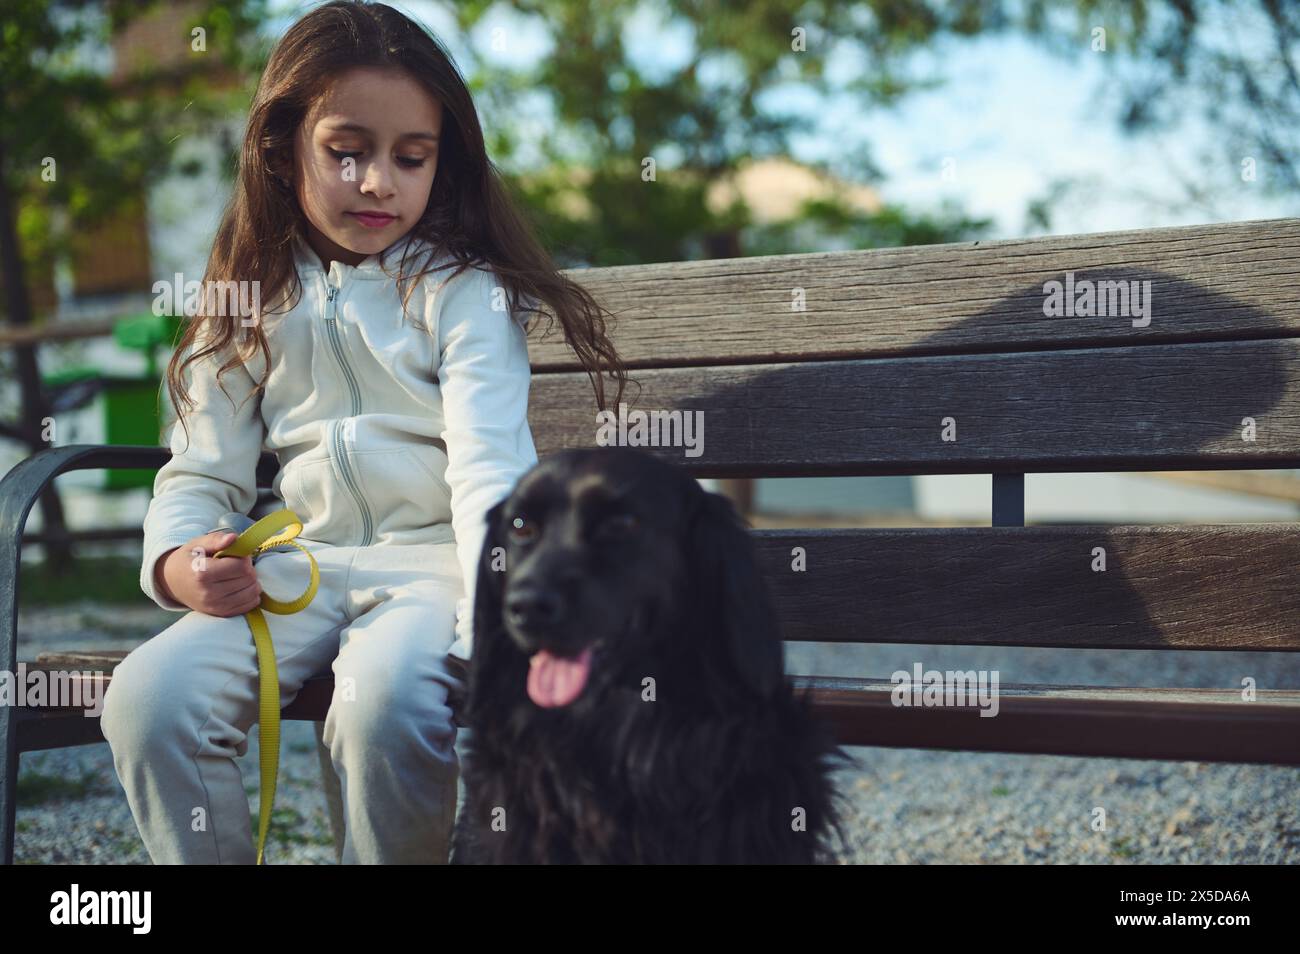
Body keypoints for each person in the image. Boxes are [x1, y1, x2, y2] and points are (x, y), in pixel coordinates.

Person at [100, 0, 627, 864]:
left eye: (409, 158)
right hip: (295, 577)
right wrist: (180, 564)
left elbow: (490, 473)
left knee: (384, 703)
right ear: (280, 151)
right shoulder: (245, 304)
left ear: (439, 164)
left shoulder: (464, 295)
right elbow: (198, 474)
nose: (379, 180)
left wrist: (498, 612)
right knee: (147, 701)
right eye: (347, 152)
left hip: (436, 575)